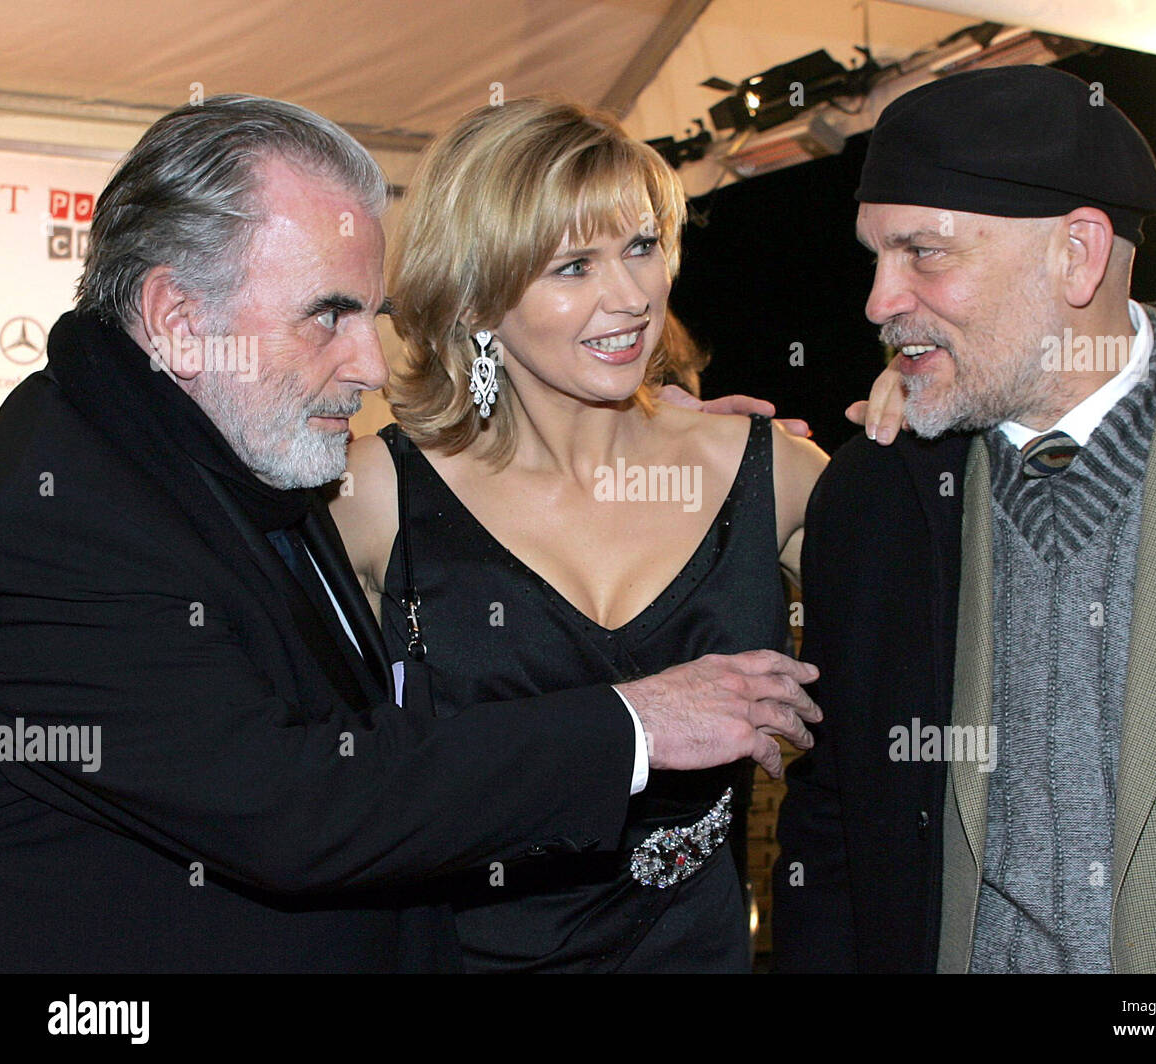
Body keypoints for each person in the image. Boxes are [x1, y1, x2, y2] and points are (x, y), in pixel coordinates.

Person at [0, 94, 824, 974]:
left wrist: (912, 430)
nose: (367, 363)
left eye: (642, 247)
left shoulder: (228, 458)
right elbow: (298, 801)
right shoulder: (72, 513)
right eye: (328, 315)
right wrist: (634, 725)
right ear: (177, 318)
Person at [773, 64, 1156, 973]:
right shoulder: (873, 500)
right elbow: (834, 833)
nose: (878, 301)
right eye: (876, 256)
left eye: (924, 253)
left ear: (1078, 254)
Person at [331, 96, 828, 973]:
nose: (631, 295)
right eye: (573, 266)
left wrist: (923, 438)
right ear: (478, 295)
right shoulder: (376, 493)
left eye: (641, 247)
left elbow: (944, 624)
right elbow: (311, 781)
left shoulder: (765, 468)